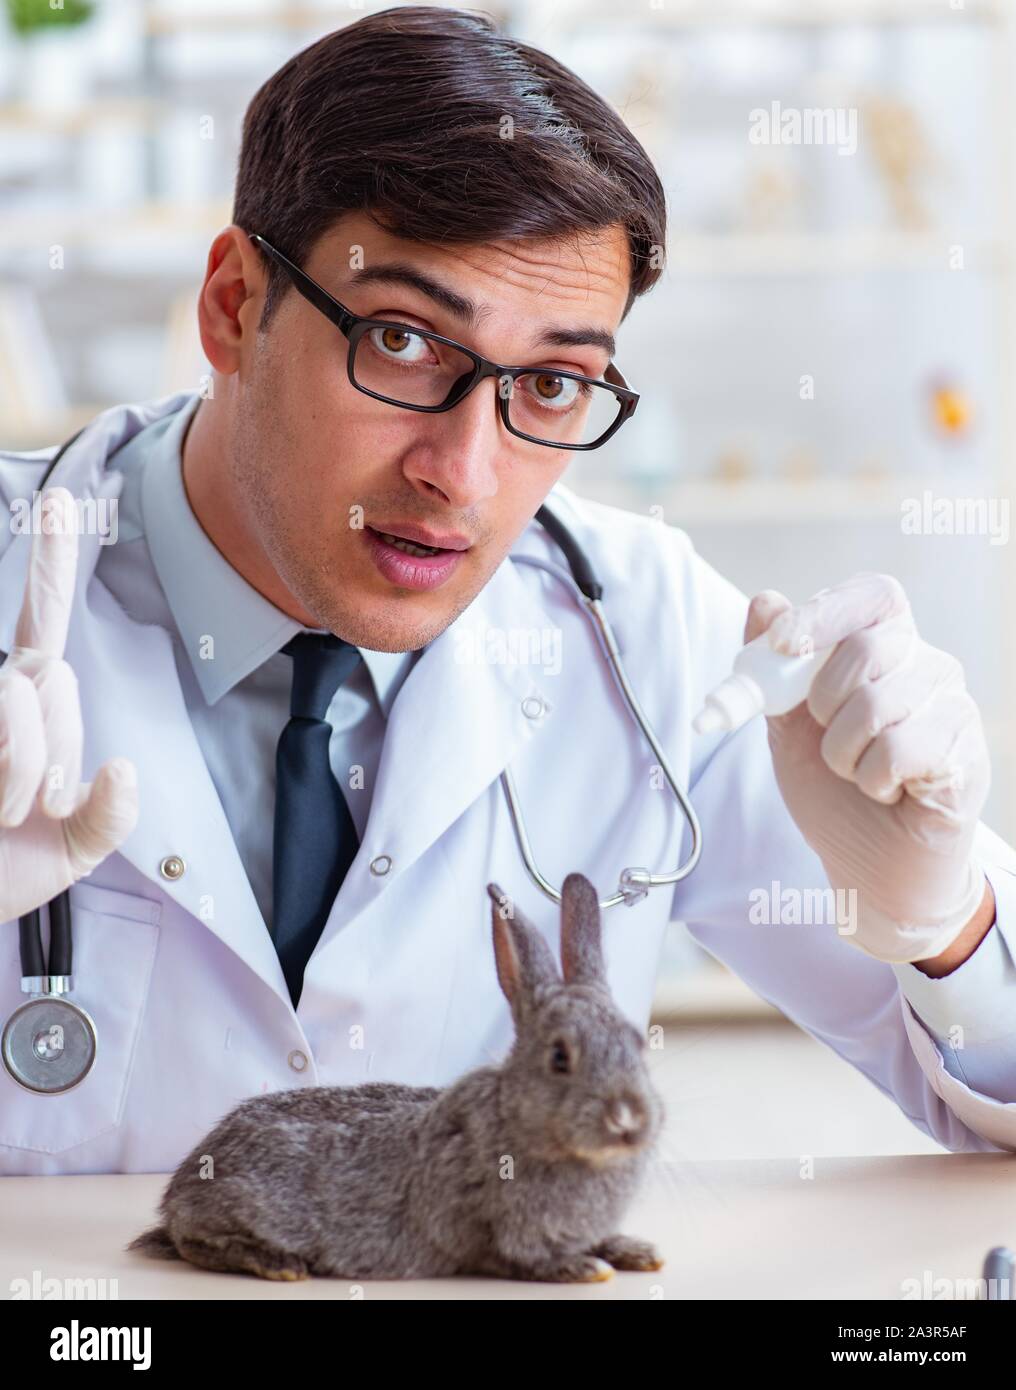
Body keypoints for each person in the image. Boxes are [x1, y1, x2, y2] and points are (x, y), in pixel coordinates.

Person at [1, 6, 1015, 1176]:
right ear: (234, 306)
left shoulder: (649, 637)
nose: (463, 474)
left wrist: (942, 925)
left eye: (550, 382)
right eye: (401, 342)